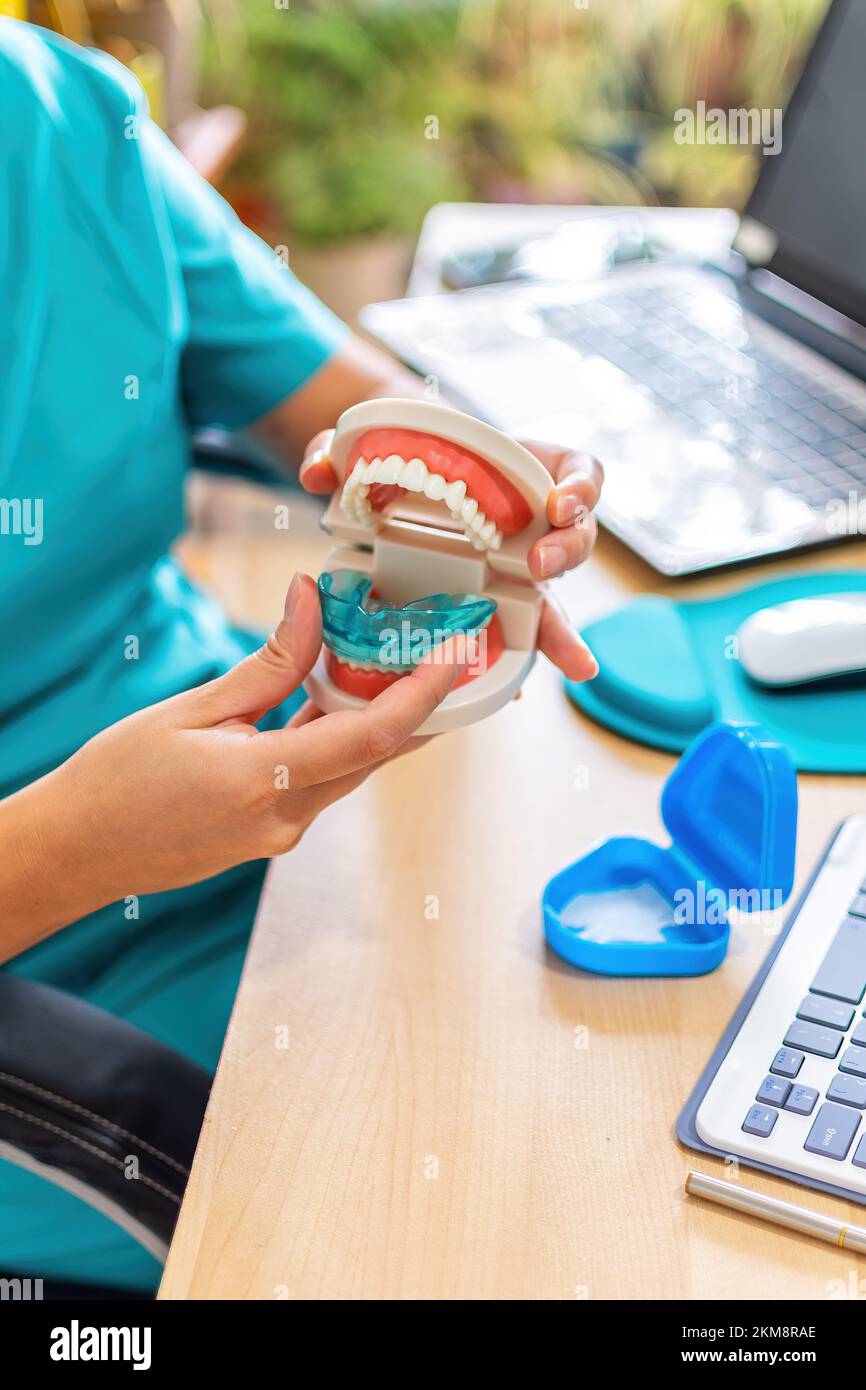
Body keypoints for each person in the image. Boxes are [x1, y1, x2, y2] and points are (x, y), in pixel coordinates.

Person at [0, 18, 603, 1292]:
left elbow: (343, 414)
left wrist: (487, 486)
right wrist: (69, 852)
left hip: (242, 820)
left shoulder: (59, 117)